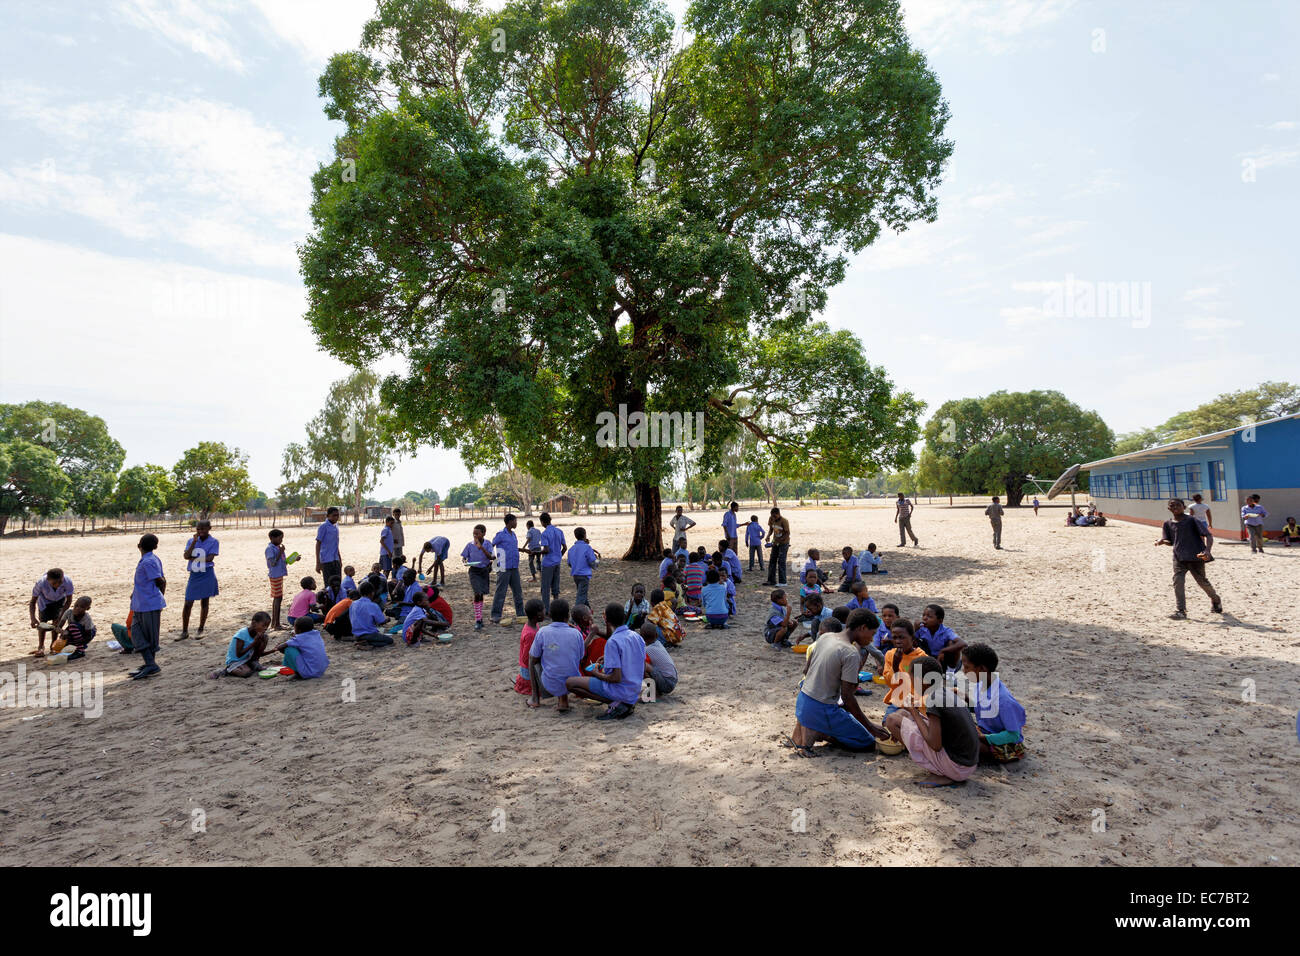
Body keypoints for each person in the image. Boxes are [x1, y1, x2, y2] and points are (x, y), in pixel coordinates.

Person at [785, 612, 890, 756]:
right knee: (867, 741)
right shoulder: (850, 653)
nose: (871, 639)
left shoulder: (826, 637)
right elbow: (847, 697)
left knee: (848, 720)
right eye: (872, 634)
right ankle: (820, 732)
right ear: (863, 628)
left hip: (803, 699)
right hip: (821, 708)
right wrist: (870, 726)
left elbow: (806, 670)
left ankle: (810, 728)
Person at [884, 656, 980, 786]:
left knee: (892, 720)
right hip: (969, 763)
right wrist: (912, 711)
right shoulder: (943, 691)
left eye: (912, 680)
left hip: (958, 768)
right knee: (902, 713)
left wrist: (913, 711)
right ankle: (939, 767)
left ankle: (940, 773)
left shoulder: (934, 700)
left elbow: (935, 745)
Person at [565, 603, 646, 720]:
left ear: (606, 620)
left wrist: (596, 673)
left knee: (569, 683)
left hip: (619, 690)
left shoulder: (613, 641)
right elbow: (637, 663)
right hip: (634, 689)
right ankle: (621, 702)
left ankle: (616, 702)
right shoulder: (636, 636)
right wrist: (607, 658)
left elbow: (615, 678)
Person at [960, 643, 1027, 762]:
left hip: (1006, 744)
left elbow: (1013, 735)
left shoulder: (1003, 700)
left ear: (982, 669)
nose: (964, 671)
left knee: (967, 743)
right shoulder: (981, 684)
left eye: (967, 667)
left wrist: (984, 737)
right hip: (984, 731)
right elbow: (981, 710)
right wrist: (964, 698)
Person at [1156, 498, 1221, 620]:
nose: (1175, 507)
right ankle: (1181, 610)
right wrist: (1162, 541)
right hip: (1179, 558)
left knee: (1202, 582)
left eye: (1178, 505)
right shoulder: (1167, 524)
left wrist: (1207, 550)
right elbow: (1170, 541)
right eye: (1172, 505)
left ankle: (1215, 599)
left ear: (1184, 507)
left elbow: (1208, 535)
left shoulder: (1192, 520)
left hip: (1195, 557)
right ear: (1169, 508)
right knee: (1178, 582)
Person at [528, 598, 585, 712]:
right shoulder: (576, 633)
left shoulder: (543, 632)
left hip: (550, 684)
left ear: (550, 615)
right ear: (568, 616)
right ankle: (563, 700)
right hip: (573, 683)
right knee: (564, 660)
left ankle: (535, 697)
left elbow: (533, 658)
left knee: (533, 660)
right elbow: (580, 657)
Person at [129, 534, 166, 680]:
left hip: (149, 604)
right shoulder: (150, 559)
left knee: (148, 636)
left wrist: (158, 598)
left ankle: (151, 664)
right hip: (141, 603)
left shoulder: (148, 562)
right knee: (137, 633)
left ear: (139, 545)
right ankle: (149, 663)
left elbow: (161, 581)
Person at [179, 519, 219, 640]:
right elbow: (186, 556)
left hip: (207, 574)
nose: (200, 531)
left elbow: (210, 558)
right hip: (195, 574)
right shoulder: (191, 541)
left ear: (209, 528)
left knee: (204, 602)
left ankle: (201, 629)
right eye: (198, 529)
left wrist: (193, 558)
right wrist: (193, 544)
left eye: (203, 529)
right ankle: (184, 631)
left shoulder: (214, 541)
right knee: (188, 602)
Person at [880, 619, 925, 716]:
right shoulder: (890, 655)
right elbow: (890, 683)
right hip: (898, 700)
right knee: (888, 721)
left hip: (917, 702)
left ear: (912, 639)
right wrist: (895, 666)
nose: (898, 641)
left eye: (901, 638)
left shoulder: (921, 657)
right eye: (895, 638)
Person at [211, 612, 274, 679]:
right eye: (263, 626)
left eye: (267, 626)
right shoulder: (242, 634)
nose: (265, 628)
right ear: (254, 623)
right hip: (236, 661)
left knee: (265, 638)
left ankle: (252, 664)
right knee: (246, 673)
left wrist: (272, 650)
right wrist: (254, 642)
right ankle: (226, 670)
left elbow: (258, 654)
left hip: (248, 660)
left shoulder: (260, 636)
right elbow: (239, 654)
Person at [29, 568, 74, 657]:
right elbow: (32, 602)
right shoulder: (41, 583)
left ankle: (53, 646)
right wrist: (33, 618)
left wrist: (61, 616)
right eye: (54, 583)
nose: (57, 585)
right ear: (48, 580)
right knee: (42, 624)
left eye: (60, 582)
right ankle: (41, 647)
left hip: (60, 601)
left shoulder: (67, 581)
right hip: (44, 602)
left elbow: (69, 601)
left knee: (56, 624)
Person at [490, 514, 525, 625]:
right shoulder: (500, 535)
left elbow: (513, 548)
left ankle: (520, 614)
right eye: (515, 521)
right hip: (503, 567)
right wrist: (494, 557)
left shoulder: (513, 534)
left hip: (514, 566)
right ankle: (495, 615)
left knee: (518, 592)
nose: (516, 523)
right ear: (510, 522)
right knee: (501, 592)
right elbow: (491, 545)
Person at [462, 524, 494, 631]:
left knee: (481, 594)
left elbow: (491, 557)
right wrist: (465, 561)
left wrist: (481, 547)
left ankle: (480, 617)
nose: (475, 536)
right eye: (474, 533)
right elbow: (464, 557)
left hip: (484, 571)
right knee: (477, 593)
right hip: (474, 571)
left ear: (484, 533)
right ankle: (478, 620)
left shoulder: (488, 544)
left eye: (477, 534)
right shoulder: (470, 545)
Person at [917, 603, 965, 671]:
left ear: (940, 621)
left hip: (944, 660)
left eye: (929, 616)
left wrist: (943, 651)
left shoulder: (946, 631)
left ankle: (950, 673)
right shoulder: (920, 629)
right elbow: (910, 641)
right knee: (916, 642)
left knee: (952, 643)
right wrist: (914, 629)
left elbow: (962, 643)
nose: (924, 618)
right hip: (927, 659)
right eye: (923, 615)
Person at [538, 511, 567, 616]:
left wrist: (537, 552)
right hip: (556, 562)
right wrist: (559, 556)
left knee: (545, 587)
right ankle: (556, 608)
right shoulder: (559, 531)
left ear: (542, 522)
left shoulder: (545, 533)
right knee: (555, 587)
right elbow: (565, 547)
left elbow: (546, 550)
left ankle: (547, 610)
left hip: (547, 563)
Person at [515, 598, 546, 695]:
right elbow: (526, 659)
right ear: (538, 615)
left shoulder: (533, 625)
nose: (545, 611)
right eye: (543, 609)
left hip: (529, 667)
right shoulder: (530, 634)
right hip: (529, 671)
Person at [350, 580, 393, 648]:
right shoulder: (373, 605)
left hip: (356, 634)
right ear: (372, 593)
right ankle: (368, 643)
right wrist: (387, 620)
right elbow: (381, 621)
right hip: (368, 633)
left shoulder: (353, 604)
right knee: (389, 641)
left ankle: (364, 642)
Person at [54, 596, 96, 661]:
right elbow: (58, 628)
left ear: (87, 608)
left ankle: (80, 651)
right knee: (65, 635)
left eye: (81, 607)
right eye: (76, 605)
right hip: (75, 632)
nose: (77, 608)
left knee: (72, 626)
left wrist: (78, 644)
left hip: (87, 633)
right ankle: (71, 650)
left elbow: (88, 636)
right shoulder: (68, 612)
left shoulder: (87, 618)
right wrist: (63, 632)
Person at [640, 623, 678, 697]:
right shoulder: (658, 643)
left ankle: (651, 694)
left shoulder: (647, 650)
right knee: (646, 665)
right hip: (672, 680)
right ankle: (656, 691)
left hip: (667, 683)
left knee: (643, 665)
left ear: (641, 637)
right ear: (657, 635)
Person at [566, 527, 598, 609]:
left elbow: (569, 563)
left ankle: (588, 609)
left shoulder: (571, 549)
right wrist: (597, 562)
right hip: (584, 575)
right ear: (584, 535)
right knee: (581, 597)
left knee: (582, 594)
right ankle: (575, 615)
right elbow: (592, 562)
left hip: (575, 575)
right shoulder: (587, 547)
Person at [265, 529, 288, 631]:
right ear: (272, 538)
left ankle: (275, 623)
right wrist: (280, 552)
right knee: (278, 598)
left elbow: (283, 562)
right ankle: (276, 624)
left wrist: (294, 559)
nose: (281, 540)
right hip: (275, 575)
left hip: (279, 574)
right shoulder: (270, 549)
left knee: (278, 598)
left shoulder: (277, 547)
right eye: (279, 538)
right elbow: (273, 563)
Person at [315, 506, 343, 587]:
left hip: (336, 559)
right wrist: (318, 562)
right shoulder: (323, 527)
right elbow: (318, 544)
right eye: (334, 515)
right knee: (328, 585)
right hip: (326, 560)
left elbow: (335, 545)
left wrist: (340, 559)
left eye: (337, 515)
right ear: (328, 516)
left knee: (338, 584)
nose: (336, 517)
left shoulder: (336, 526)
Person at [764, 507, 791, 585]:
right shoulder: (771, 519)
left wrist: (781, 540)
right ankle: (771, 580)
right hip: (775, 543)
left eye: (775, 516)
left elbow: (787, 533)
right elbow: (771, 529)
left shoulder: (784, 521)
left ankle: (783, 581)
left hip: (784, 543)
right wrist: (768, 536)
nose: (773, 518)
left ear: (778, 514)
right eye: (772, 516)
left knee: (781, 561)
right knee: (772, 560)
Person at [379, 516, 397, 580]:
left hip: (387, 552)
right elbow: (381, 541)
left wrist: (393, 541)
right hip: (385, 553)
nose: (392, 525)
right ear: (387, 522)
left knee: (387, 569)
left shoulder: (389, 530)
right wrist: (388, 551)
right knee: (387, 570)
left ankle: (383, 581)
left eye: (393, 523)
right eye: (391, 523)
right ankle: (384, 581)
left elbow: (387, 540)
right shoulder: (385, 530)